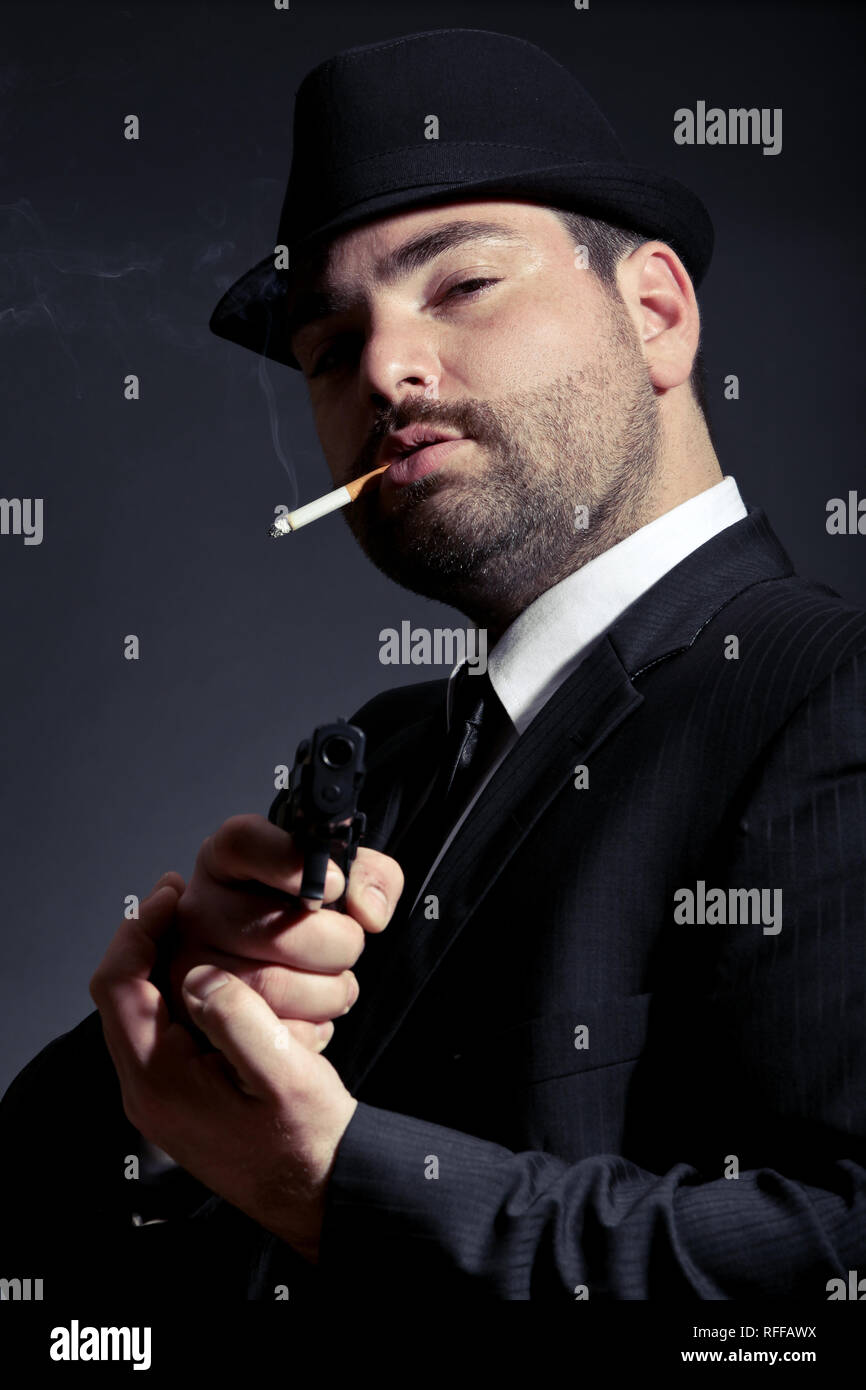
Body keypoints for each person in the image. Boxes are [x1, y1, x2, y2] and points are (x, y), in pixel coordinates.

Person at [2, 28, 864, 1303]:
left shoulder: (826, 693)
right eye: (326, 345)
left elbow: (829, 1263)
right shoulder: (394, 748)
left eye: (457, 286)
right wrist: (197, 1022)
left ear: (656, 314)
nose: (385, 372)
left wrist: (332, 1179)